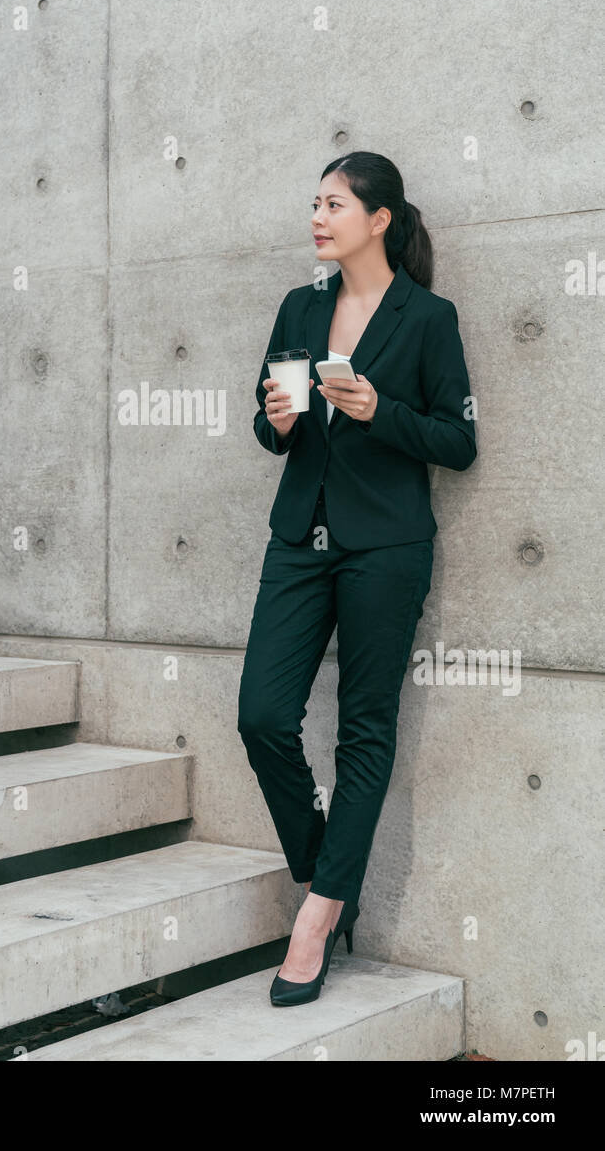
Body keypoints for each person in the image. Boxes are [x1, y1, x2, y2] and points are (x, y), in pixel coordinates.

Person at [237, 150, 477, 1006]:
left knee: (364, 733)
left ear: (379, 219)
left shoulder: (428, 317)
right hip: (299, 540)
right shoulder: (300, 307)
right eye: (314, 202)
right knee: (262, 716)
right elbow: (271, 430)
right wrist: (274, 418)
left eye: (334, 203)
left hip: (387, 549)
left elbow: (458, 440)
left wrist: (384, 412)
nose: (318, 215)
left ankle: (318, 916)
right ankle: (323, 869)